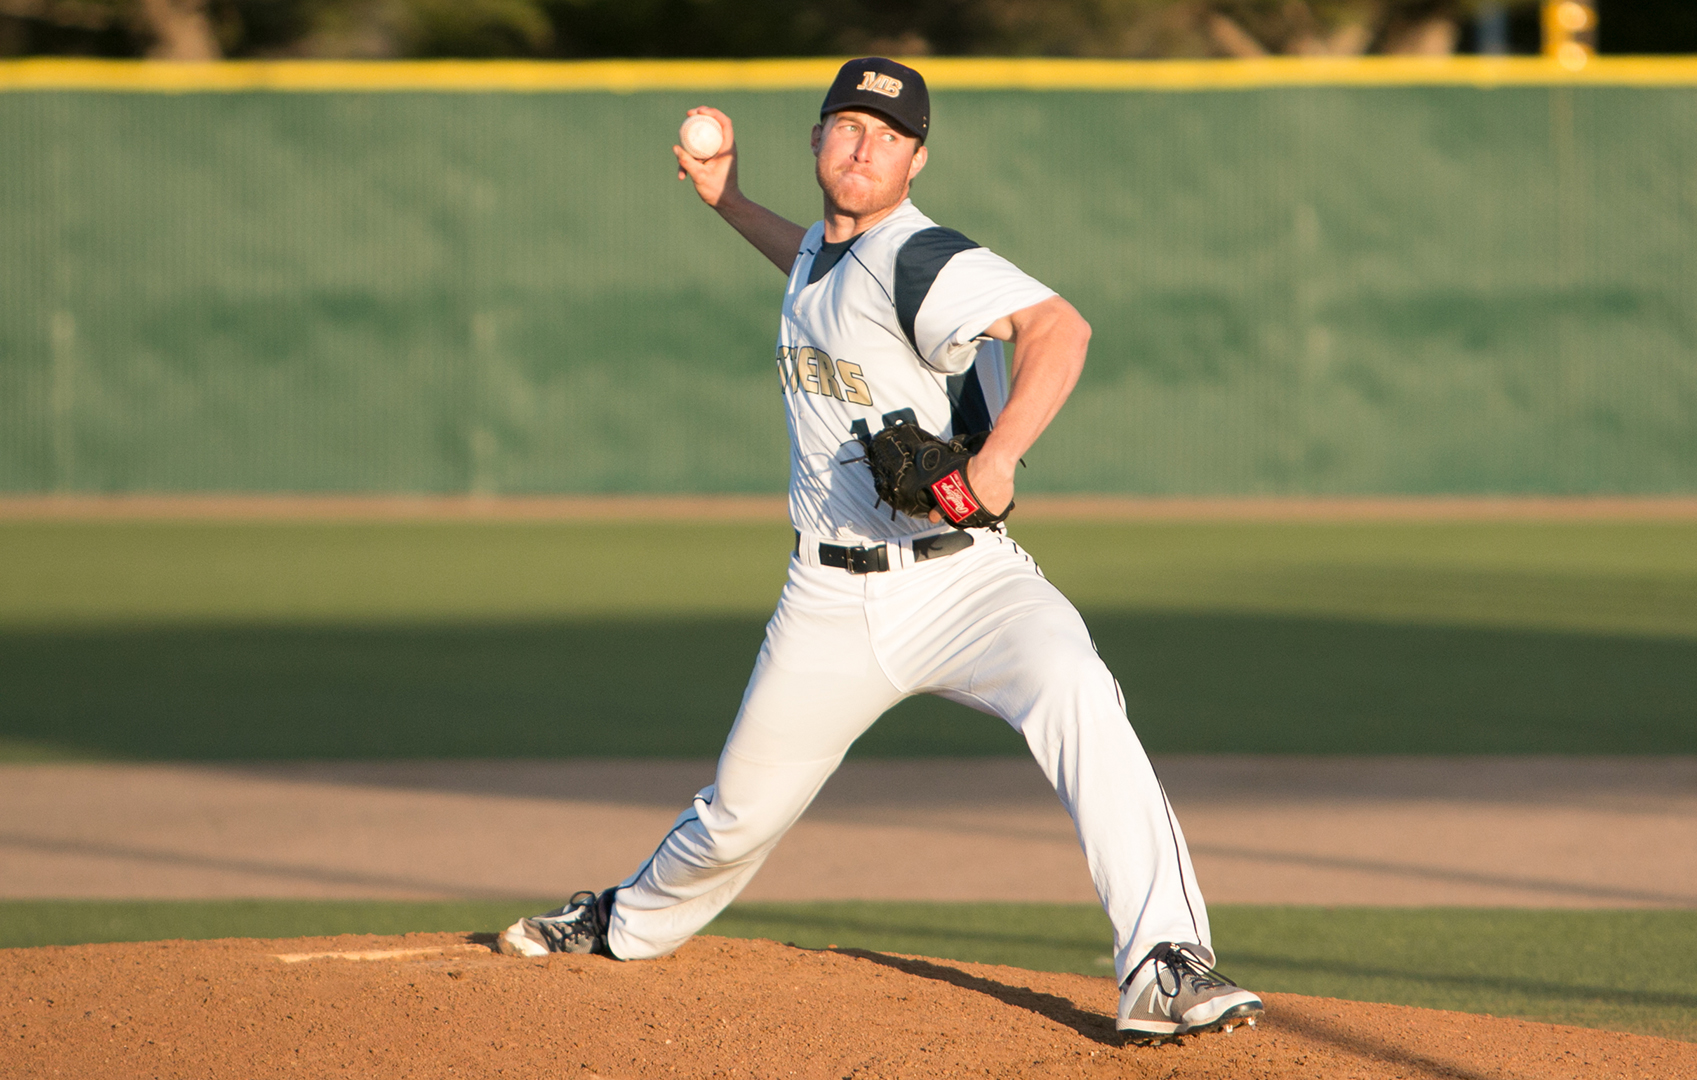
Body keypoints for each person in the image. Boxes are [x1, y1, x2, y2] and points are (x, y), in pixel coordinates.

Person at [497, 56, 1262, 1040]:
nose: (866, 146)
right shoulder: (829, 246)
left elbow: (1056, 327)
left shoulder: (919, 254)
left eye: (890, 137)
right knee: (739, 815)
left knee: (1078, 689)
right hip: (829, 598)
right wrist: (728, 199)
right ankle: (622, 923)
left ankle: (1164, 964)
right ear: (818, 140)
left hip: (966, 580)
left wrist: (1001, 458)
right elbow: (812, 266)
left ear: (917, 160)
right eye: (849, 127)